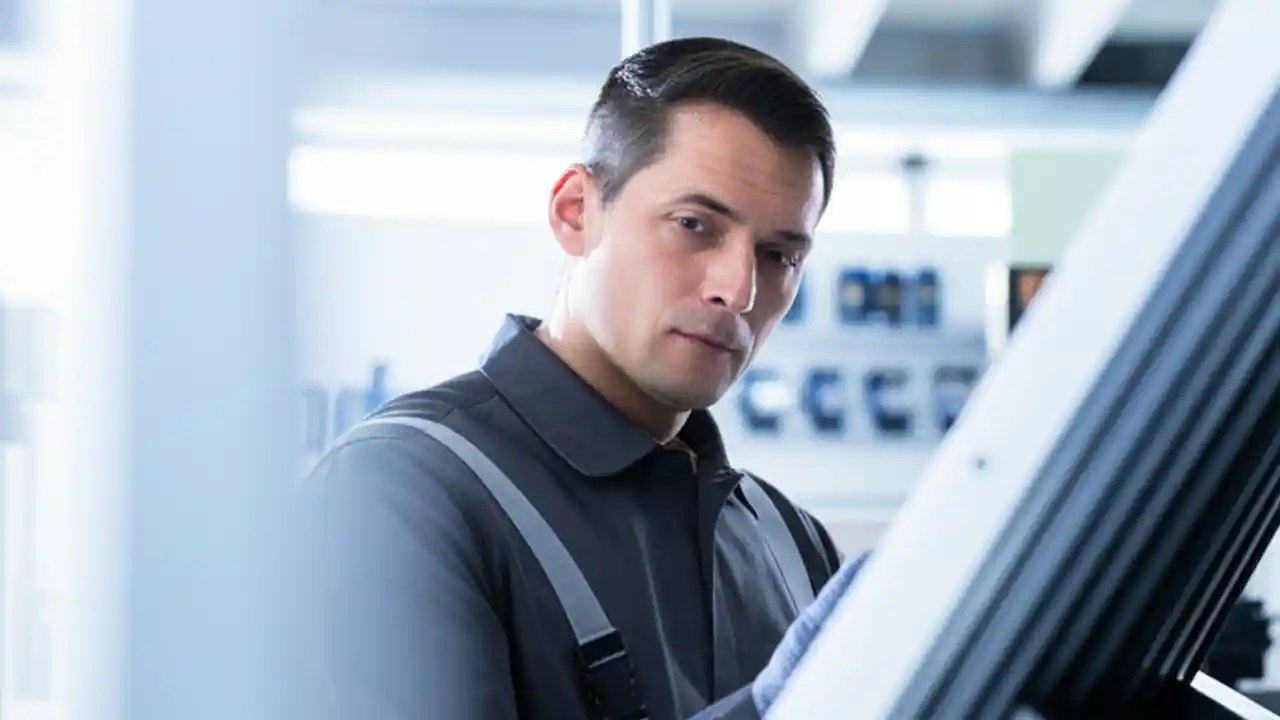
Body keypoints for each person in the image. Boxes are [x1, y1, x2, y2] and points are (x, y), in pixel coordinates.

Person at [301, 37, 866, 720]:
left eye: (778, 255)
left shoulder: (792, 542)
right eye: (694, 225)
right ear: (575, 211)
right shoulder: (398, 494)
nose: (738, 289)